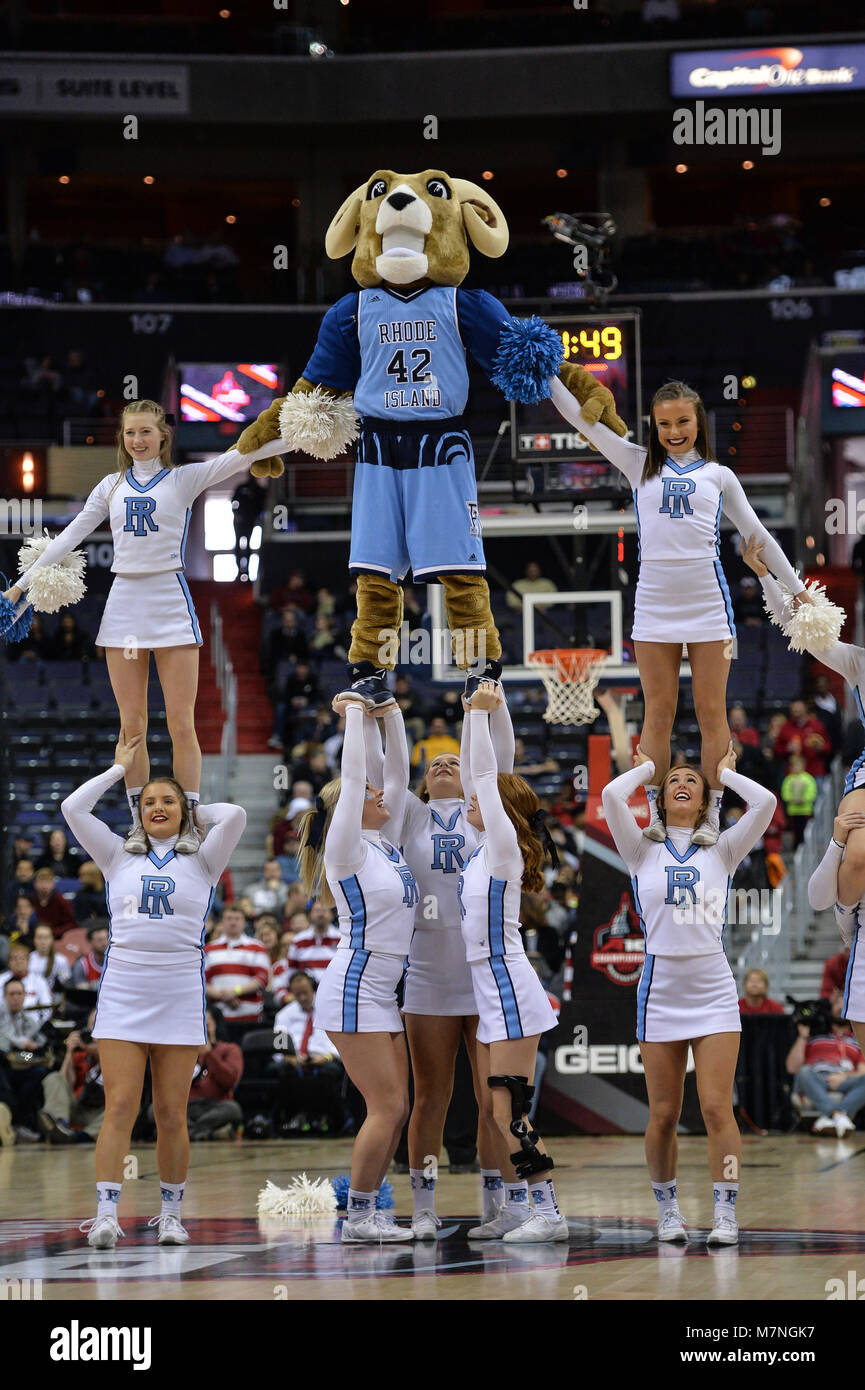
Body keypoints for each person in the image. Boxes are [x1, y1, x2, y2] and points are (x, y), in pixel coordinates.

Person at [3, 399, 283, 855]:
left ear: (162, 436)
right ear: (122, 438)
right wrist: (20, 589)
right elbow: (70, 536)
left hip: (170, 602)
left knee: (181, 724)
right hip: (125, 606)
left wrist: (304, 430)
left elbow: (243, 454)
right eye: (130, 433)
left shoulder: (184, 478)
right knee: (131, 729)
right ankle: (138, 823)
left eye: (146, 432)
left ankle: (190, 822)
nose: (138, 440)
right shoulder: (109, 486)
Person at [552, 377, 805, 846]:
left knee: (713, 713)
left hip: (708, 604)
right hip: (653, 605)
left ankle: (710, 819)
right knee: (658, 713)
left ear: (698, 421)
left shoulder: (719, 476)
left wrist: (798, 590)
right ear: (654, 424)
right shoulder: (637, 461)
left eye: (683, 421)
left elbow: (759, 537)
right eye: (664, 423)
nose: (674, 430)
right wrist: (542, 366)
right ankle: (656, 815)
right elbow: (575, 418)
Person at [60, 731, 247, 1249]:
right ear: (137, 812)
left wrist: (193, 812)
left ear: (182, 809)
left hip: (180, 990)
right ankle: (105, 1214)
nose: (157, 808)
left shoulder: (205, 860)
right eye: (148, 803)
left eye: (167, 801)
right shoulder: (117, 855)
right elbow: (73, 807)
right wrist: (121, 771)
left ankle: (170, 1213)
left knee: (171, 1112)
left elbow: (234, 816)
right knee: (119, 1105)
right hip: (124, 989)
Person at [601, 739, 776, 1246]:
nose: (681, 784)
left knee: (718, 1108)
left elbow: (765, 804)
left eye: (691, 782)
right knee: (663, 1114)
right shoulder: (640, 848)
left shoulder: (723, 847)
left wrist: (725, 773)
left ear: (704, 801)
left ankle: (725, 1212)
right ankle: (668, 1210)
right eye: (674, 781)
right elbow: (613, 797)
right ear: (661, 797)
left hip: (713, 986)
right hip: (661, 987)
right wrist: (649, 769)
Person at [388, 689, 516, 1238]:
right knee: (431, 1097)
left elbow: (498, 763)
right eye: (434, 762)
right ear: (423, 782)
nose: (443, 764)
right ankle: (422, 1205)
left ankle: (497, 1202)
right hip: (427, 975)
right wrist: (388, 712)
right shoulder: (409, 815)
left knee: (494, 1100)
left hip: (482, 973)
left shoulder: (484, 813)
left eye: (455, 761)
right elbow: (392, 771)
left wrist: (483, 709)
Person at [296, 698, 418, 1243]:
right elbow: (354, 776)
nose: (380, 792)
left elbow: (396, 772)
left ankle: (369, 1210)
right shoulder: (347, 848)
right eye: (368, 793)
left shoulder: (385, 845)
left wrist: (387, 715)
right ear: (349, 804)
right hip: (354, 988)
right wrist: (350, 713)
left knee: (399, 1107)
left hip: (383, 991)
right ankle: (359, 1217)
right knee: (388, 1105)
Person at [456, 683, 564, 1243]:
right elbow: (501, 766)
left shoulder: (500, 850)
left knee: (511, 1112)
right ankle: (523, 1207)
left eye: (489, 799)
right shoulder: (483, 851)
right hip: (491, 989)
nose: (475, 800)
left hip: (510, 989)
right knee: (498, 1110)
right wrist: (494, 713)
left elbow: (485, 777)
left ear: (504, 813)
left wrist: (474, 714)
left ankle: (547, 1213)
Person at [272, 971, 344, 1134]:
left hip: (325, 1059)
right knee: (283, 1072)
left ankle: (331, 1119)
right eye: (298, 994)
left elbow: (341, 1043)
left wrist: (326, 1057)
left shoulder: (330, 1009)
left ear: (314, 989)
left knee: (330, 1073)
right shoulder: (283, 1015)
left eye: (305, 993)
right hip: (295, 1059)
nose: (302, 998)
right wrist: (291, 1058)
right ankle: (290, 1117)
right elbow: (279, 1048)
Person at [785, 994, 865, 1137]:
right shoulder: (815, 1036)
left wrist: (843, 1076)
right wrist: (803, 1036)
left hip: (843, 1080)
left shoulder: (857, 1041)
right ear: (830, 1009)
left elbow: (861, 1071)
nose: (840, 1007)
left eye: (844, 1004)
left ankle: (831, 1117)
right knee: (804, 1071)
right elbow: (792, 1068)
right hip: (814, 1078)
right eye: (837, 1004)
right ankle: (838, 1116)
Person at [204, 905, 270, 1044]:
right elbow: (202, 980)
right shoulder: (209, 948)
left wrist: (235, 992)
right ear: (222, 921)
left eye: (237, 919)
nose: (233, 922)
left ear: (244, 922)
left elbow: (262, 979)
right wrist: (223, 996)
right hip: (218, 1019)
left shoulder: (257, 946)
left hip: (250, 1017)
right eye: (228, 918)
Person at [39, 1009, 105, 1145]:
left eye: (99, 1024)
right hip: (79, 1109)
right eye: (92, 1025)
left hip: (102, 1113)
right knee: (54, 1078)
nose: (94, 1030)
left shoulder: (119, 1052)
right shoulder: (81, 1055)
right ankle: (60, 1125)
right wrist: (70, 1052)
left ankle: (79, 1137)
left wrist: (95, 1049)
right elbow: (64, 1083)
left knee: (127, 1108)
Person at [0, 976, 50, 1141]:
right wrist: (23, 1043)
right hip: (4, 1062)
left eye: (19, 994)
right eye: (12, 994)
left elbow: (40, 1041)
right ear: (5, 996)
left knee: (41, 1071)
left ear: (24, 996)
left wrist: (39, 1046)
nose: (16, 998)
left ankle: (22, 1123)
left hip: (23, 1062)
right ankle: (16, 1123)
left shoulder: (29, 1020)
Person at [0, 942, 54, 1032]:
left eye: (22, 958)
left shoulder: (39, 981)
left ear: (28, 961)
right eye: (14, 958)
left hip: (33, 1027)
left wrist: (36, 1025)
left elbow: (47, 1008)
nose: (18, 961)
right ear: (9, 962)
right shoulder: (1, 980)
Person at [286, 900, 340, 983]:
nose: (320, 914)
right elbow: (291, 970)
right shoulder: (298, 940)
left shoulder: (341, 938)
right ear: (310, 915)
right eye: (317, 911)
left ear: (332, 915)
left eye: (324, 910)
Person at [780, 753, 818, 848]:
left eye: (798, 765)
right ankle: (796, 847)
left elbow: (812, 792)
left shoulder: (808, 778)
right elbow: (785, 792)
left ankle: (806, 846)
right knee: (795, 830)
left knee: (805, 830)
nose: (796, 767)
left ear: (803, 766)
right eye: (794, 765)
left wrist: (804, 799)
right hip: (793, 811)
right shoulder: (788, 779)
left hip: (805, 810)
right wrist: (791, 799)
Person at [27, 868, 76, 938]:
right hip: (33, 936)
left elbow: (71, 924)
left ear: (53, 884)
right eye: (41, 881)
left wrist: (52, 933)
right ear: (35, 884)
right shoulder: (30, 900)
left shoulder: (61, 901)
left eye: (48, 882)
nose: (44, 885)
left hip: (56, 937)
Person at [28, 922, 72, 997]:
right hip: (31, 997)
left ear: (52, 939)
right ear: (34, 939)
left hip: (53, 999)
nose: (43, 941)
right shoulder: (28, 958)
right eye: (39, 937)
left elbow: (65, 983)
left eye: (46, 937)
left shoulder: (61, 961)